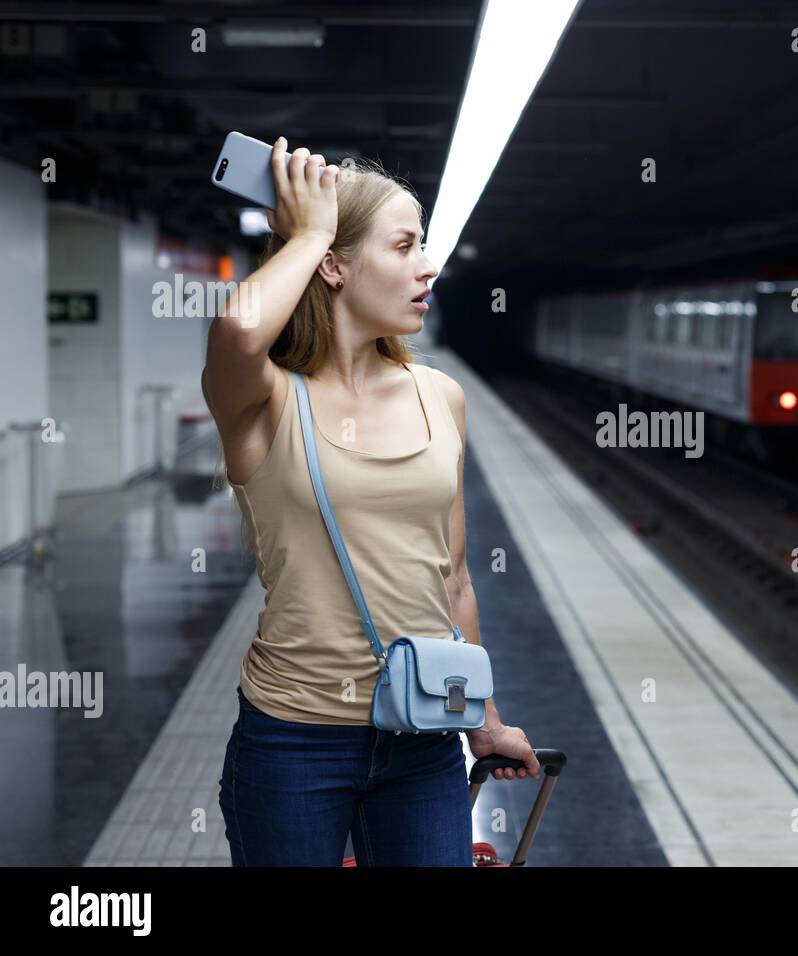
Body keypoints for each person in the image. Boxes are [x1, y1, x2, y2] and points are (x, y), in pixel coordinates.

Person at [203, 137, 540, 866]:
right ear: (334, 266)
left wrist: (483, 723)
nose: (429, 265)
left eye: (426, 246)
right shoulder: (265, 403)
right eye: (405, 246)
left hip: (423, 740)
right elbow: (236, 329)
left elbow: (449, 578)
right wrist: (311, 229)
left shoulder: (439, 397)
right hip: (292, 741)